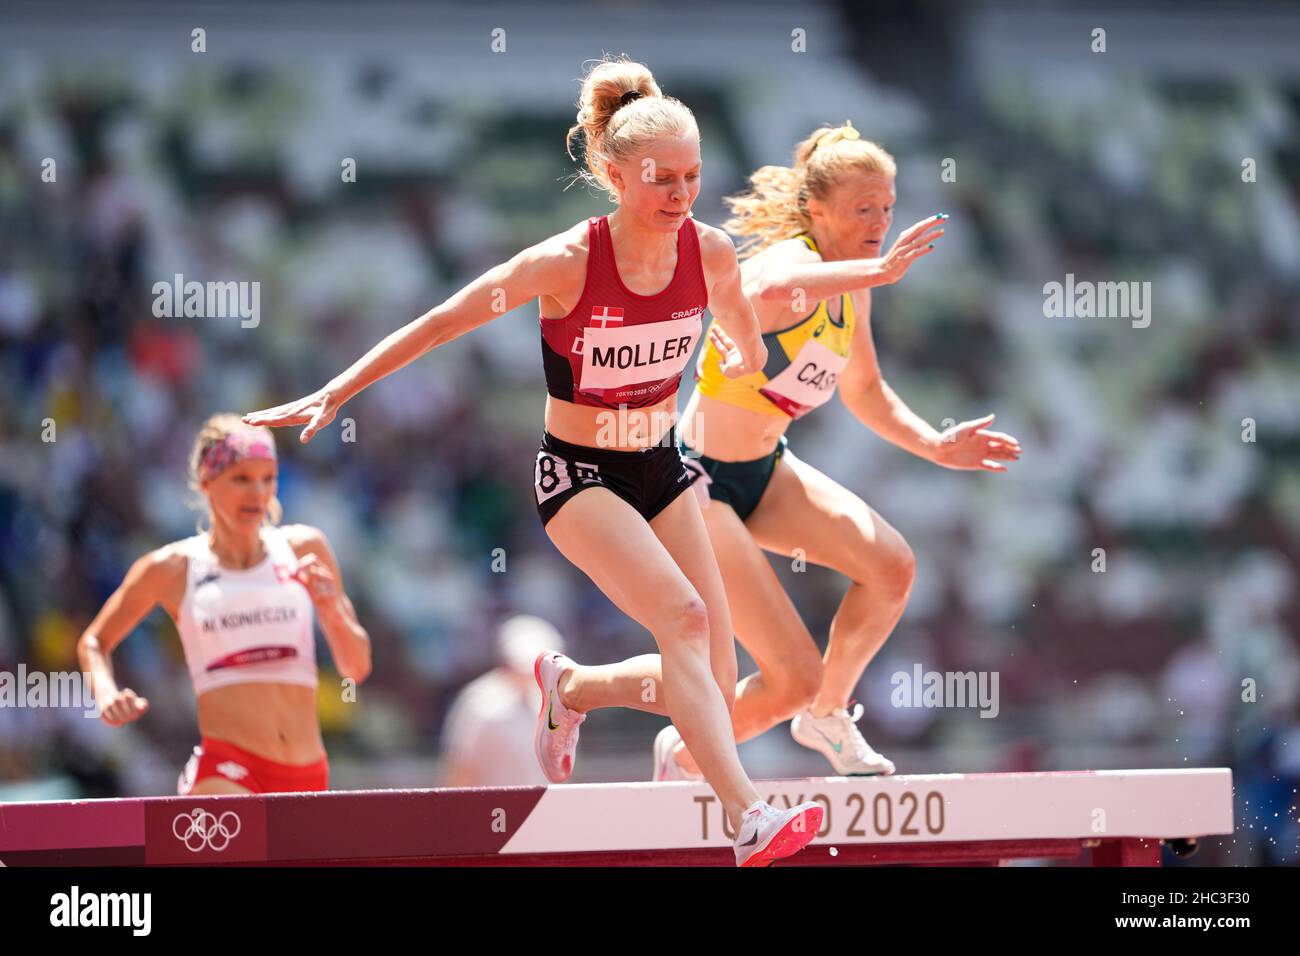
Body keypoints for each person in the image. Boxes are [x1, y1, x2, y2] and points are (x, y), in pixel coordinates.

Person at [243, 57, 823, 866]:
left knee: (716, 693)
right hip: (581, 477)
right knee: (684, 620)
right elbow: (443, 322)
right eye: (662, 180)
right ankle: (748, 815)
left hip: (663, 467)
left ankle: (572, 688)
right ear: (615, 174)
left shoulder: (714, 255)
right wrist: (335, 391)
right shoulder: (565, 263)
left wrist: (752, 350)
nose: (681, 195)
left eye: (693, 177)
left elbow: (745, 341)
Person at [653, 121, 1022, 780]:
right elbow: (760, 295)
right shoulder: (790, 262)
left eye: (886, 206)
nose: (880, 220)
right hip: (695, 483)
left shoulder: (852, 286)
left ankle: (824, 716)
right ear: (816, 210)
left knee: (892, 570)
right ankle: (683, 755)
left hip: (764, 473)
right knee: (786, 676)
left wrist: (936, 445)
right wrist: (877, 269)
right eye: (863, 209)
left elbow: (867, 391)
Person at [76, 414, 372, 795]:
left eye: (268, 478)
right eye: (242, 478)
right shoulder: (173, 567)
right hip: (228, 770)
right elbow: (94, 642)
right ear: (207, 482)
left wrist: (331, 609)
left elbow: (356, 667)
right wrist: (106, 694)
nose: (257, 493)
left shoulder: (304, 548)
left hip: (307, 773)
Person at [440, 615, 564, 788]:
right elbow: (460, 769)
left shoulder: (554, 701)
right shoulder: (480, 703)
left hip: (544, 808)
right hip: (491, 810)